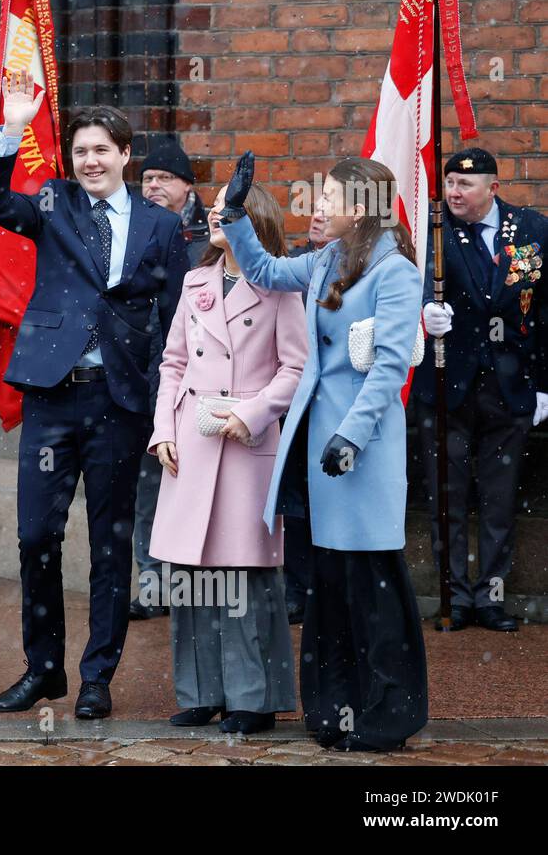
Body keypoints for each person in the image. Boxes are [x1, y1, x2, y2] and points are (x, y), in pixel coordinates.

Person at [0, 69, 190, 719]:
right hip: (51, 395)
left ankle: (97, 676)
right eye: (82, 149)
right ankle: (43, 670)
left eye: (103, 149)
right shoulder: (52, 202)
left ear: (126, 155)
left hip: (118, 402)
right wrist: (12, 128)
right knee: (36, 535)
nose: (90, 159)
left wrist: (167, 402)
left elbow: (177, 316)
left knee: (108, 543)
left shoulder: (160, 225)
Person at [219, 152, 428, 752]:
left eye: (330, 198)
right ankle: (335, 710)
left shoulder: (394, 271)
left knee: (372, 585)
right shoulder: (329, 259)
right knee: (330, 586)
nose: (319, 206)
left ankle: (389, 715)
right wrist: (234, 212)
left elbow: (388, 370)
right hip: (315, 440)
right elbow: (262, 270)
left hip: (359, 448)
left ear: (362, 206)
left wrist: (351, 438)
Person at [149, 181, 307, 734]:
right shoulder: (196, 282)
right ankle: (200, 692)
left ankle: (252, 698)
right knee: (190, 573)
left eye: (227, 209)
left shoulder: (282, 287)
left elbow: (295, 368)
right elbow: (172, 364)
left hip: (246, 444)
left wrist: (256, 413)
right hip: (192, 440)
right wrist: (161, 429)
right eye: (214, 208)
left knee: (244, 576)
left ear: (252, 217)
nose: (215, 216)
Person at [414, 148, 548, 633]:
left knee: (499, 501)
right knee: (445, 498)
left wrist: (545, 387)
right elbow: (407, 288)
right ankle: (453, 598)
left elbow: (545, 310)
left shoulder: (531, 230)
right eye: (449, 183)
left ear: (493, 187)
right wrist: (423, 316)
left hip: (511, 386)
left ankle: (491, 598)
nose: (453, 192)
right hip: (446, 383)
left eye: (464, 186)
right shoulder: (431, 231)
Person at [130, 138, 210, 620]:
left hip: (202, 383)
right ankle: (150, 586)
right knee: (147, 487)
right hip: (147, 376)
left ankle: (193, 581)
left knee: (195, 481)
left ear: (187, 185)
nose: (153, 186)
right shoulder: (135, 231)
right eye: (147, 180)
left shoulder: (212, 236)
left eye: (163, 179)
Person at [278, 207, 329, 624]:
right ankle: (297, 588)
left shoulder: (364, 271)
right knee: (294, 499)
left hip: (335, 401)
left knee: (329, 498)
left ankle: (330, 589)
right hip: (293, 401)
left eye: (328, 209)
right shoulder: (296, 266)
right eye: (315, 209)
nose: (317, 216)